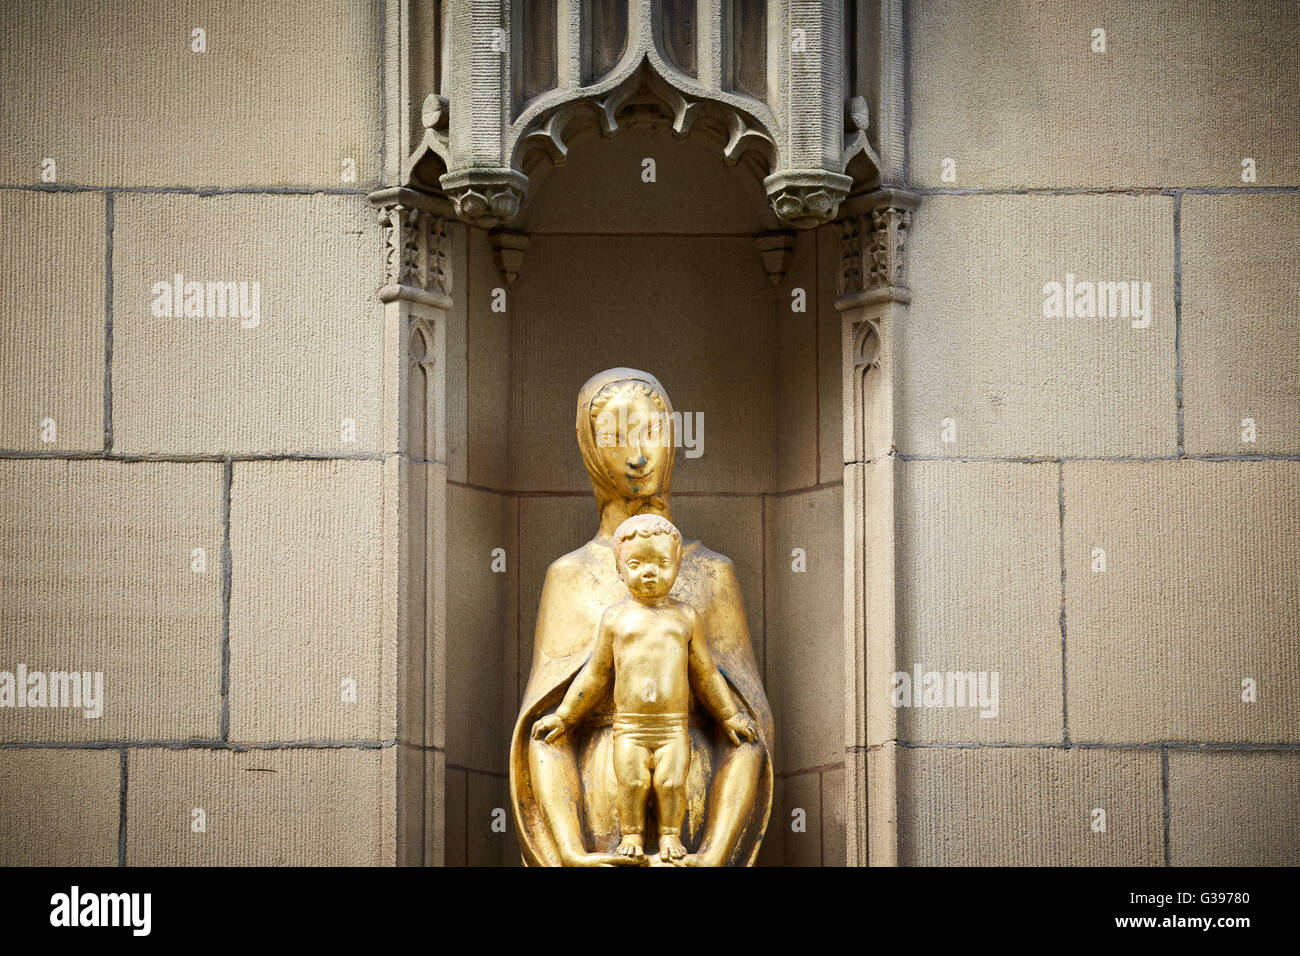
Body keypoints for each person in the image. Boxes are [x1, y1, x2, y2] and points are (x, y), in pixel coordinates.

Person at [509, 367, 773, 867]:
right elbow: (543, 735)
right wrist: (569, 851)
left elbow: (746, 732)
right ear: (590, 450)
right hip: (596, 813)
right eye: (614, 438)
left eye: (650, 432)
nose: (637, 456)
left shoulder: (711, 574)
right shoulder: (570, 576)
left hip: (692, 807)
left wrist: (717, 853)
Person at [531, 514, 758, 863]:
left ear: (678, 566)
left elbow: (706, 673)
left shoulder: (686, 617)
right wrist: (564, 716)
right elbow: (594, 675)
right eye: (636, 564)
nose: (649, 572)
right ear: (619, 570)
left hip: (672, 727)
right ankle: (632, 836)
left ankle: (670, 836)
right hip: (630, 727)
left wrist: (729, 715)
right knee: (632, 783)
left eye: (661, 563)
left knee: (671, 784)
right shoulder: (615, 619)